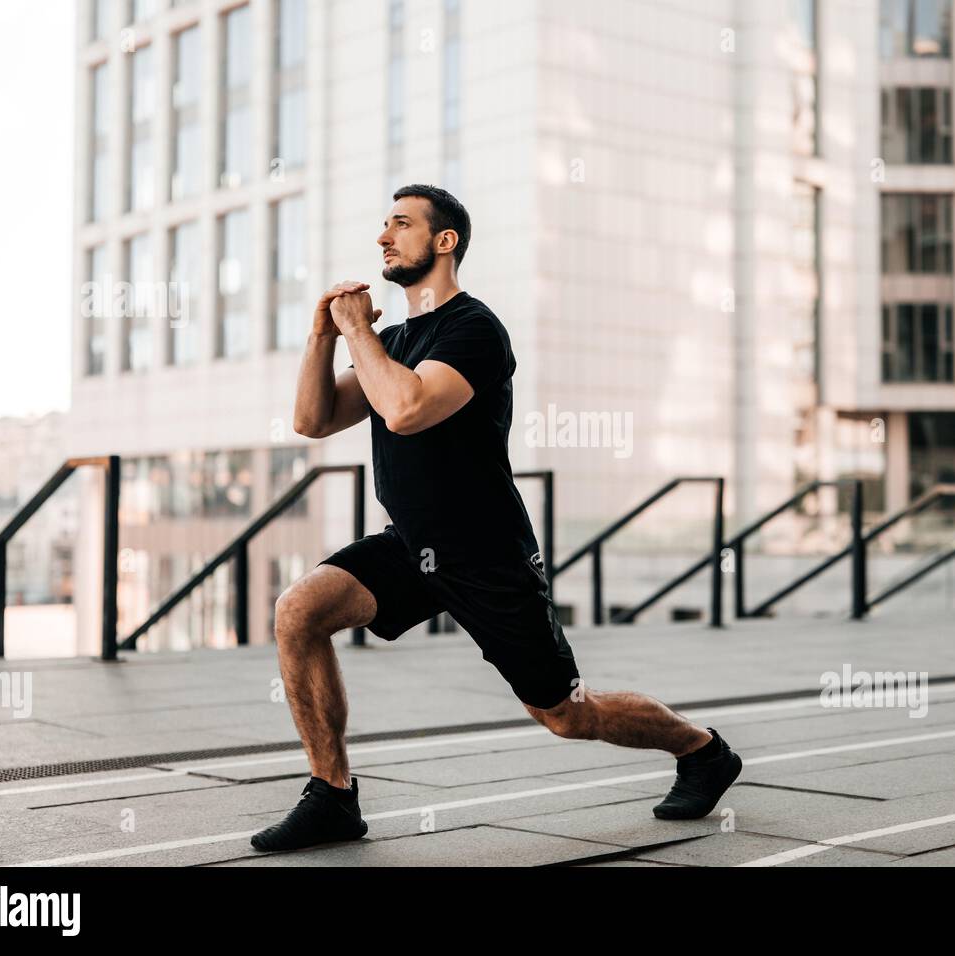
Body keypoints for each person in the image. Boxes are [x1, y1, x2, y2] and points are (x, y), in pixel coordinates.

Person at [251, 184, 742, 853]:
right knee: (299, 611)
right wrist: (320, 335)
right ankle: (333, 796)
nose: (383, 237)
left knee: (566, 714)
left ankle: (703, 750)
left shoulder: (473, 330)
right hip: (412, 547)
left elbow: (407, 408)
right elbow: (313, 420)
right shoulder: (390, 339)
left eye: (400, 224)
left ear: (445, 241)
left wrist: (358, 332)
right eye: (382, 225)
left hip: (486, 554)